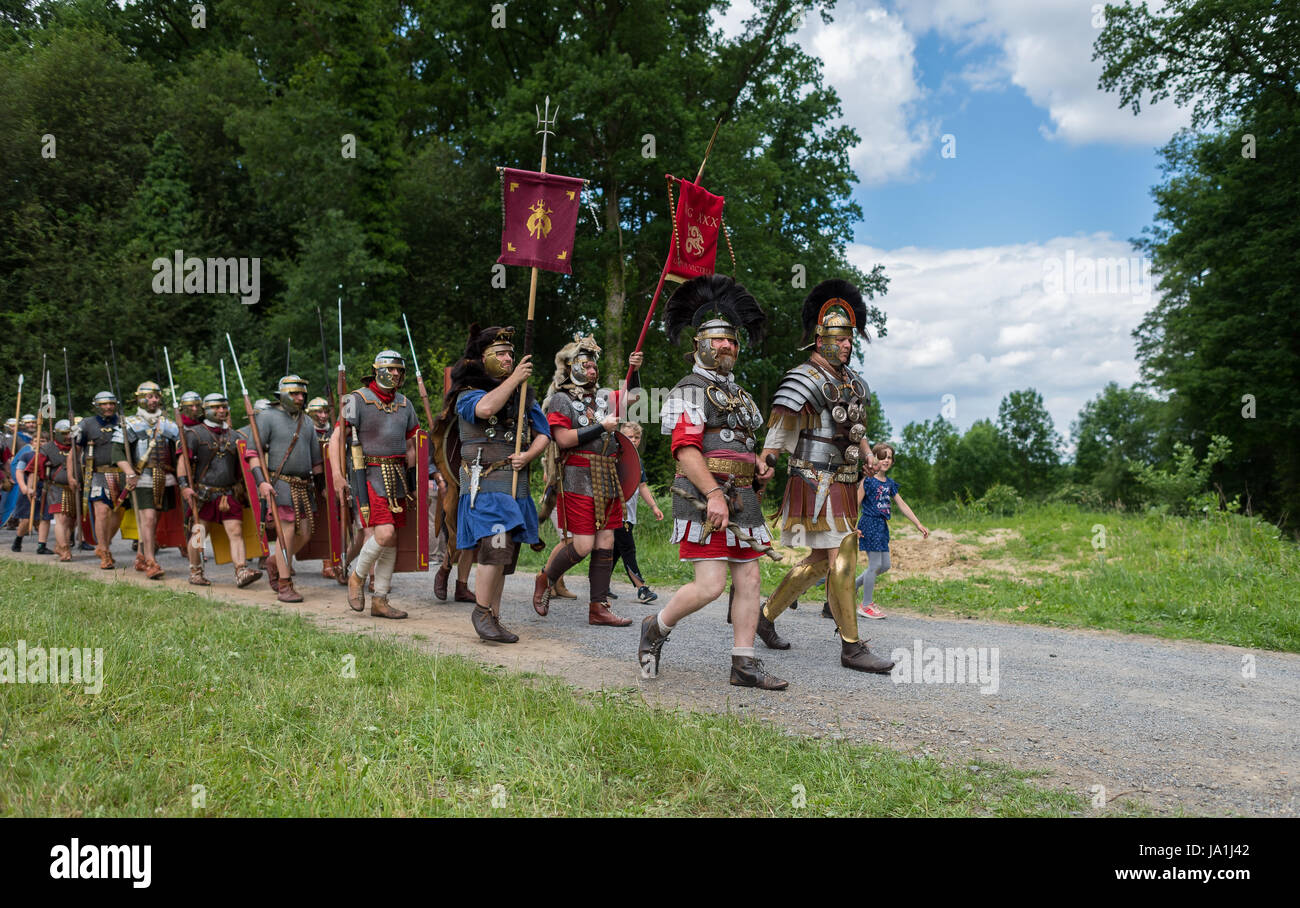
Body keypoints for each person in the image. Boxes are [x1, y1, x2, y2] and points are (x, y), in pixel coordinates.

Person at [637, 275, 786, 689]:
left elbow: (737, 444)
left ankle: (744, 664)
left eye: (732, 341)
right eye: (718, 341)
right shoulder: (689, 389)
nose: (727, 347)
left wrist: (758, 463)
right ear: (699, 346)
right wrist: (715, 493)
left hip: (741, 498)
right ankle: (655, 626)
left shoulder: (739, 396)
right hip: (706, 497)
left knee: (750, 579)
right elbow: (686, 450)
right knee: (710, 586)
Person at [755, 279, 895, 674]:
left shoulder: (850, 381)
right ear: (820, 339)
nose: (847, 345)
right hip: (816, 478)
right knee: (845, 553)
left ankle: (766, 616)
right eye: (839, 337)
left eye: (850, 338)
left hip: (847, 479)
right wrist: (765, 462)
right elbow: (780, 430)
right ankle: (852, 647)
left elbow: (854, 430)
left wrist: (867, 456)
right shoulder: (804, 377)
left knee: (820, 561)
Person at [437, 325, 549, 642]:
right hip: (485, 486)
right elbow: (485, 409)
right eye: (500, 353)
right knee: (495, 548)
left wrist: (528, 454)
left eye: (510, 354)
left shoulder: (524, 394)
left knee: (504, 556)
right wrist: (516, 379)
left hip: (515, 486)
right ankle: (481, 612)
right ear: (483, 358)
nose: (508, 358)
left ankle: (494, 617)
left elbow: (544, 433)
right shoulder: (467, 393)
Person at [531, 336, 642, 627]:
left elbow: (635, 397)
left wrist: (635, 369)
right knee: (582, 545)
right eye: (586, 365)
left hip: (608, 477)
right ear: (571, 367)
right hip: (578, 476)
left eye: (595, 365)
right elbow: (564, 439)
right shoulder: (561, 399)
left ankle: (599, 608)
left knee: (606, 540)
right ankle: (545, 579)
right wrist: (600, 427)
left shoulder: (602, 398)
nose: (593, 370)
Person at [330, 351, 421, 619]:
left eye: (399, 371)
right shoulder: (354, 399)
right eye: (391, 370)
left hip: (397, 478)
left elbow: (412, 446)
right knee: (383, 534)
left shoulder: (405, 404)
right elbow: (337, 437)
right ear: (378, 370)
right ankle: (357, 577)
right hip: (367, 474)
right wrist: (337, 474)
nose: (396, 375)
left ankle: (380, 599)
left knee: (390, 538)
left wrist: (414, 482)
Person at [248, 375, 324, 603]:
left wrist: (322, 489)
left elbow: (317, 462)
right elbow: (253, 454)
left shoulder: (307, 422)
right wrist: (261, 481)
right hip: (280, 483)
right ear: (283, 394)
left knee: (306, 533)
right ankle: (284, 583)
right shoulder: (267, 417)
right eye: (295, 394)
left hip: (303, 486)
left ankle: (274, 561)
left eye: (302, 394)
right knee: (287, 532)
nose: (300, 398)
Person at [179, 393, 263, 589]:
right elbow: (183, 463)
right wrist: (184, 486)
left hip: (228, 494)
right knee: (199, 533)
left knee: (236, 531)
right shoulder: (194, 434)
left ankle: (241, 571)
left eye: (224, 407)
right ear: (206, 409)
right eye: (217, 407)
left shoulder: (236, 437)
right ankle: (195, 571)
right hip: (204, 494)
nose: (222, 411)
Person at [113, 381, 182, 580]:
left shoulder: (168, 424)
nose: (153, 400)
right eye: (149, 397)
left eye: (156, 396)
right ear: (140, 399)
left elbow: (179, 450)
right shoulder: (131, 423)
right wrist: (130, 473)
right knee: (149, 519)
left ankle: (141, 555)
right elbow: (117, 450)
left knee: (154, 520)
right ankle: (151, 562)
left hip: (166, 477)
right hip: (142, 478)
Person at [857, 442, 928, 619]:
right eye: (882, 456)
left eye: (889, 457)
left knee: (885, 565)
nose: (886, 460)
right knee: (874, 565)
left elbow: (902, 505)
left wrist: (918, 524)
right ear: (874, 458)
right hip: (869, 523)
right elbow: (855, 503)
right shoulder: (868, 480)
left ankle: (852, 585)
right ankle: (865, 605)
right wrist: (852, 527)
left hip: (882, 526)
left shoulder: (889, 484)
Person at [73, 391, 126, 569]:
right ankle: (103, 550)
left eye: (111, 403)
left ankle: (104, 544)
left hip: (121, 474)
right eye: (104, 404)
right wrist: (74, 475)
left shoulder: (124, 422)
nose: (108, 407)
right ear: (97, 405)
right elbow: (75, 451)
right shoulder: (87, 424)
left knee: (118, 514)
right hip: (97, 475)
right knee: (102, 512)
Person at [612, 422, 663, 603]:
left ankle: (600, 584)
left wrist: (654, 506)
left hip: (630, 514)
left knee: (616, 550)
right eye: (629, 437)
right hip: (617, 512)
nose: (633, 440)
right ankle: (642, 588)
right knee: (628, 549)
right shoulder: (614, 457)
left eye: (636, 437)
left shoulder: (637, 460)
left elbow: (642, 486)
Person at [26, 419, 78, 561]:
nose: (68, 436)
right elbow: (33, 470)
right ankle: (65, 549)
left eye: (70, 433)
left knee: (71, 521)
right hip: (56, 488)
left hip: (75, 489)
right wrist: (30, 488)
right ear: (57, 434)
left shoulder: (78, 447)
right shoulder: (48, 448)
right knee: (61, 518)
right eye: (64, 433)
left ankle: (60, 546)